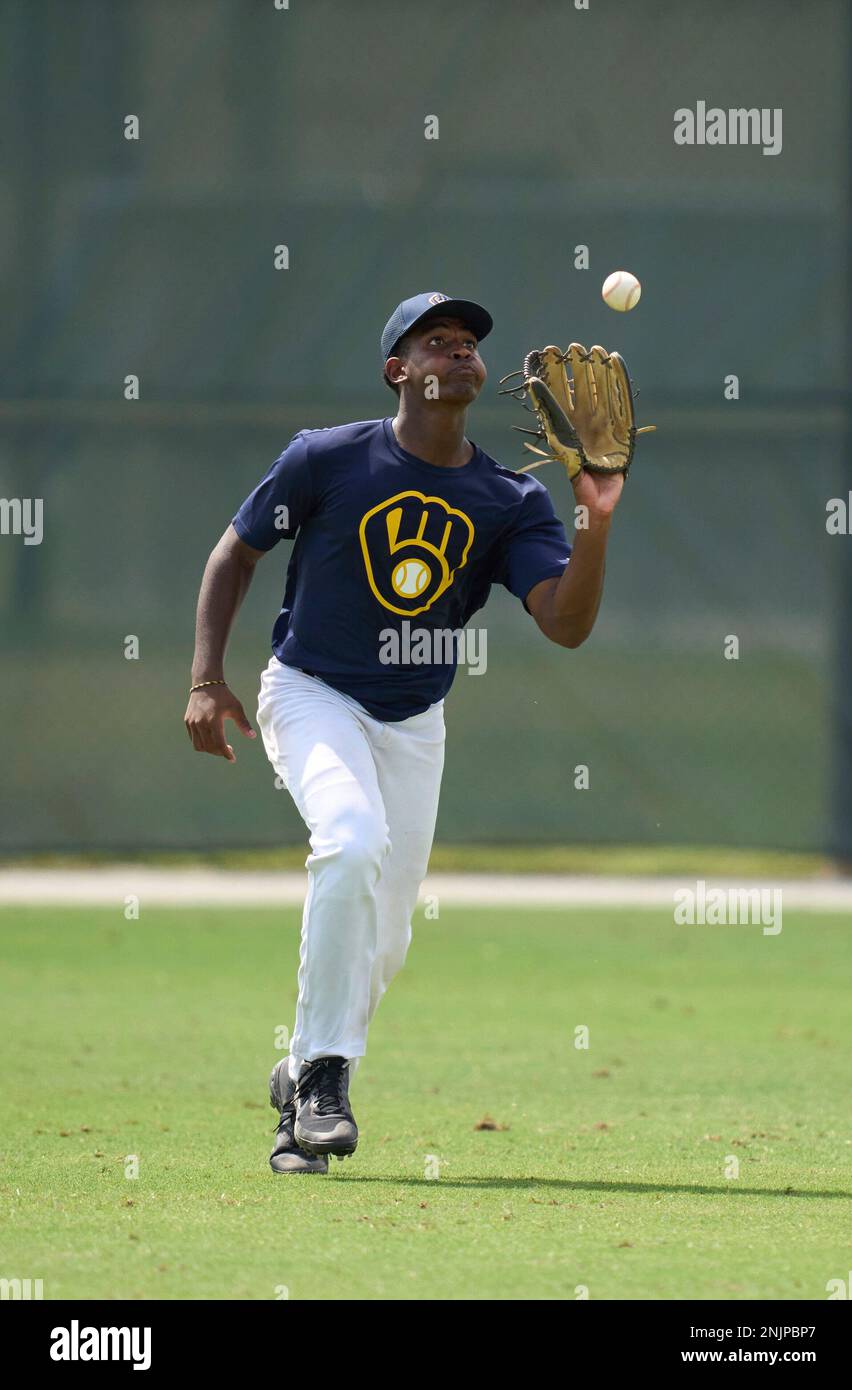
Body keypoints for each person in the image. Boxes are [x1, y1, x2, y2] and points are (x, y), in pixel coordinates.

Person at [184, 291, 627, 1174]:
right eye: (438, 343)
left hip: (414, 723)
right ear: (399, 371)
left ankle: (300, 1069)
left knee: (385, 942)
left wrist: (596, 517)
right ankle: (321, 1089)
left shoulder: (508, 498)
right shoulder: (327, 459)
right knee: (349, 845)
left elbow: (566, 624)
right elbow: (236, 551)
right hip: (311, 690)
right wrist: (205, 679)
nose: (460, 354)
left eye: (469, 345)